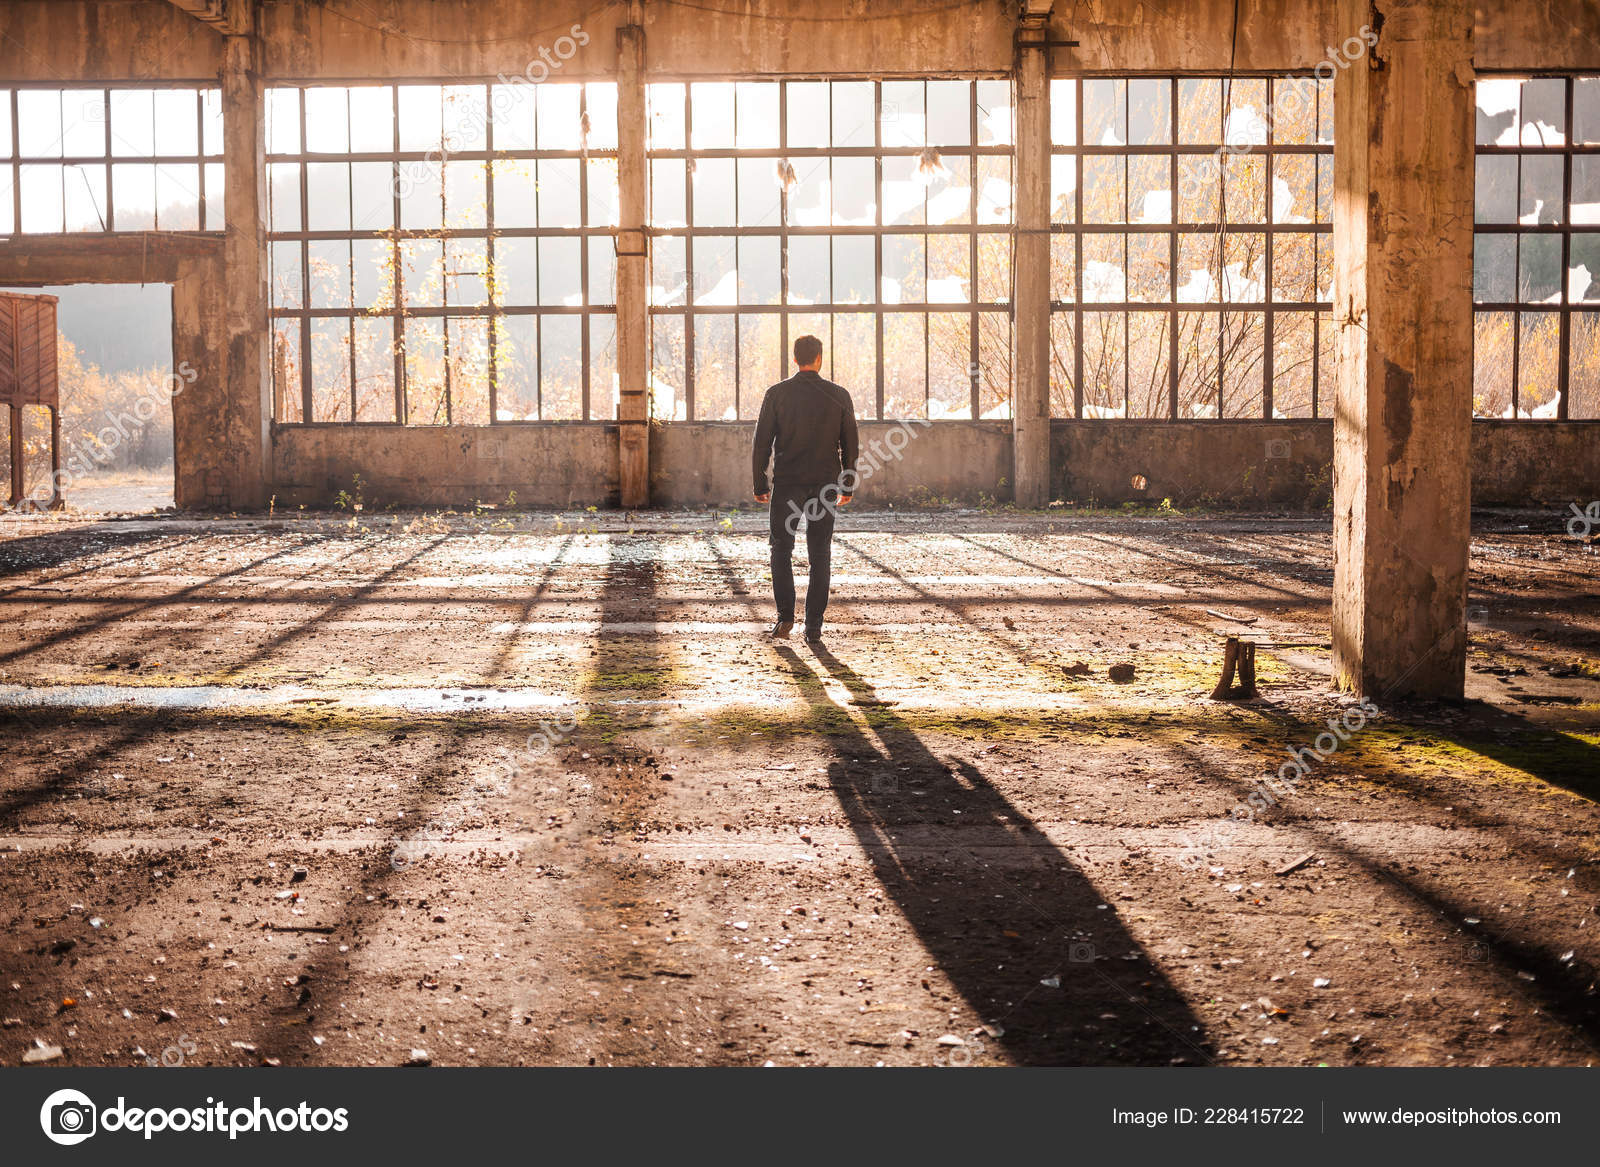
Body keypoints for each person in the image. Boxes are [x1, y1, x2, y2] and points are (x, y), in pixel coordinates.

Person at [751, 334, 858, 644]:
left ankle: (785, 618)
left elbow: (762, 443)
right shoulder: (839, 395)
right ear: (820, 358)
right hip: (825, 484)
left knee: (781, 548)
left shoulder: (776, 394)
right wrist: (847, 483)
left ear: (794, 359)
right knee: (819, 552)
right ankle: (813, 626)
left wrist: (760, 482)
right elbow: (850, 444)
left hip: (787, 484)